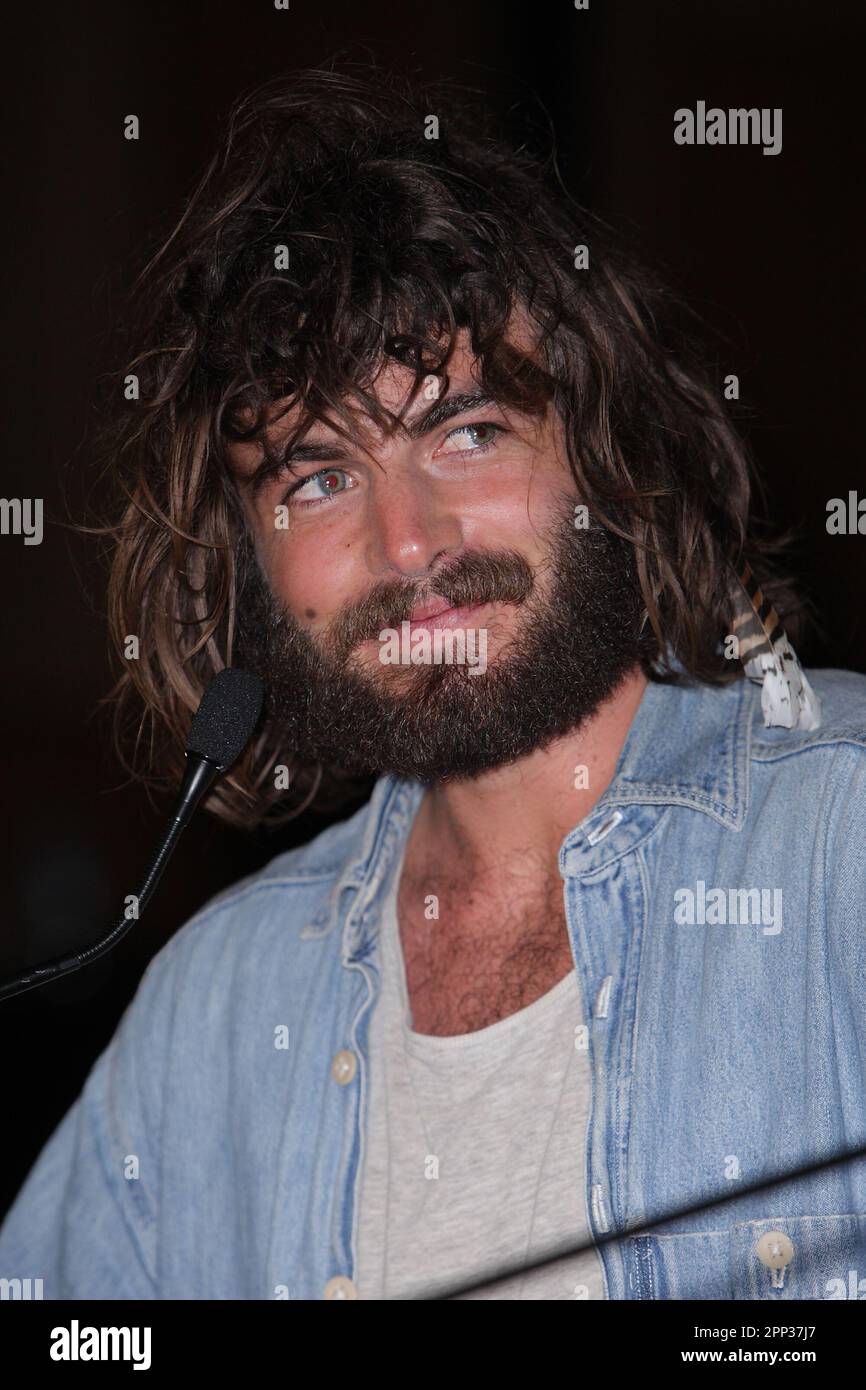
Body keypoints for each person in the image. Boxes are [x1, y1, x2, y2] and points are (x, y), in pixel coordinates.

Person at [1, 64, 865, 1302]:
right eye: (318, 480)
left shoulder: (840, 846)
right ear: (250, 574)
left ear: (611, 454)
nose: (407, 545)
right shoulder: (219, 1000)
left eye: (467, 432)